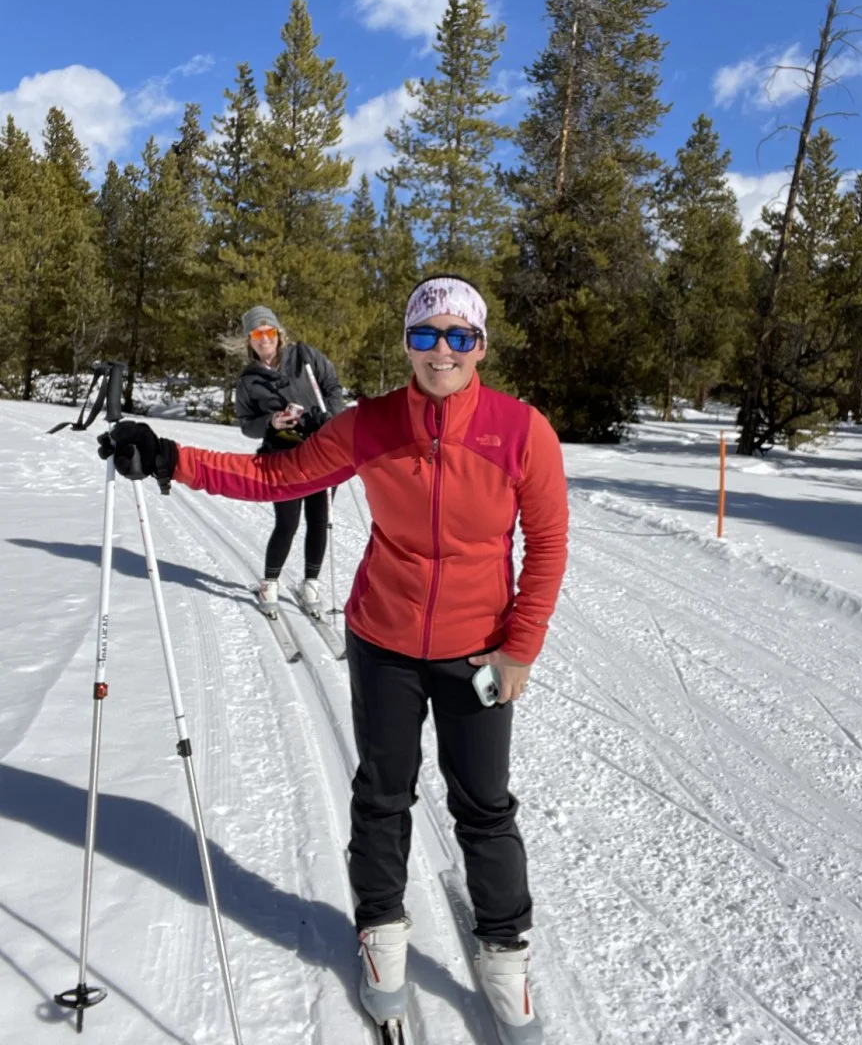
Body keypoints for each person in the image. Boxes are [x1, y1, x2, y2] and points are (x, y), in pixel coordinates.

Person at [101, 275, 568, 1045]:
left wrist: (520, 648)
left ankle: (504, 950)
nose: (441, 351)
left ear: (480, 345)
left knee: (484, 803)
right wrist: (171, 457)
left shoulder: (522, 431)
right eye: (426, 335)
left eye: (459, 336)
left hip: (476, 652)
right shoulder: (372, 425)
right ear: (407, 345)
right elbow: (276, 475)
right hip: (383, 640)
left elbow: (547, 545)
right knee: (383, 791)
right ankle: (381, 930)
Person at [234, 305, 344, 616]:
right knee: (288, 522)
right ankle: (270, 582)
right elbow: (246, 423)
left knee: (320, 519)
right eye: (257, 334)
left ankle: (311, 583)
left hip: (322, 449)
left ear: (278, 334)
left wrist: (331, 419)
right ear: (250, 340)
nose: (264, 338)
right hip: (283, 454)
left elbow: (332, 387)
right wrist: (270, 421)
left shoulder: (304, 357)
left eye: (269, 331)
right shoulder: (248, 381)